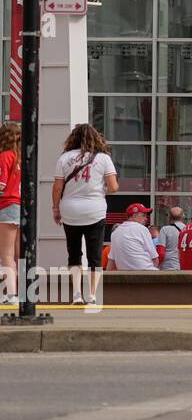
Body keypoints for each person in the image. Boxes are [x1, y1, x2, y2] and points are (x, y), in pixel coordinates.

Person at [52, 124, 119, 305]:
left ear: (73, 138)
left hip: (70, 210)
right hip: (95, 210)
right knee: (94, 255)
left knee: (74, 253)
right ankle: (92, 295)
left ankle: (76, 294)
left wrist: (56, 209)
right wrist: (100, 189)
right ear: (96, 138)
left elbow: (57, 187)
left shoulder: (64, 158)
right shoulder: (104, 159)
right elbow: (113, 187)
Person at [0, 123, 22, 305]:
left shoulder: (4, 157)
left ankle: (11, 294)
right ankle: (23, 292)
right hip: (19, 205)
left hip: (6, 205)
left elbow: (1, 186)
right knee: (17, 254)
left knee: (5, 254)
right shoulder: (20, 157)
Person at [107, 204, 159, 271]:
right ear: (134, 216)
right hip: (146, 273)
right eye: (143, 215)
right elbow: (155, 258)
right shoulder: (142, 229)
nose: (146, 219)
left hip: (124, 277)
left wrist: (105, 279)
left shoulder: (115, 232)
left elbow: (111, 261)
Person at [158, 206, 185, 272]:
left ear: (169, 217)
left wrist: (157, 265)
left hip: (167, 267)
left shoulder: (165, 229)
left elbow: (161, 252)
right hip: (183, 266)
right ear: (183, 216)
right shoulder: (188, 229)